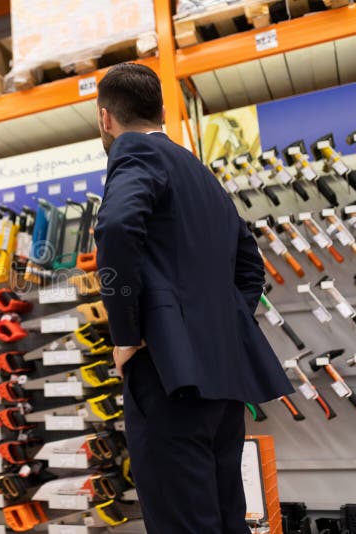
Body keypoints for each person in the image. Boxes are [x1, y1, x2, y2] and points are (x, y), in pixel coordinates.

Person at [93, 63, 294, 533]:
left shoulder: (134, 154)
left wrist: (127, 333)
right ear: (162, 111)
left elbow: (118, 227)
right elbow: (249, 266)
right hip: (223, 382)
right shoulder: (199, 173)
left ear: (106, 119)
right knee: (227, 520)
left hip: (167, 379)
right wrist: (216, 327)